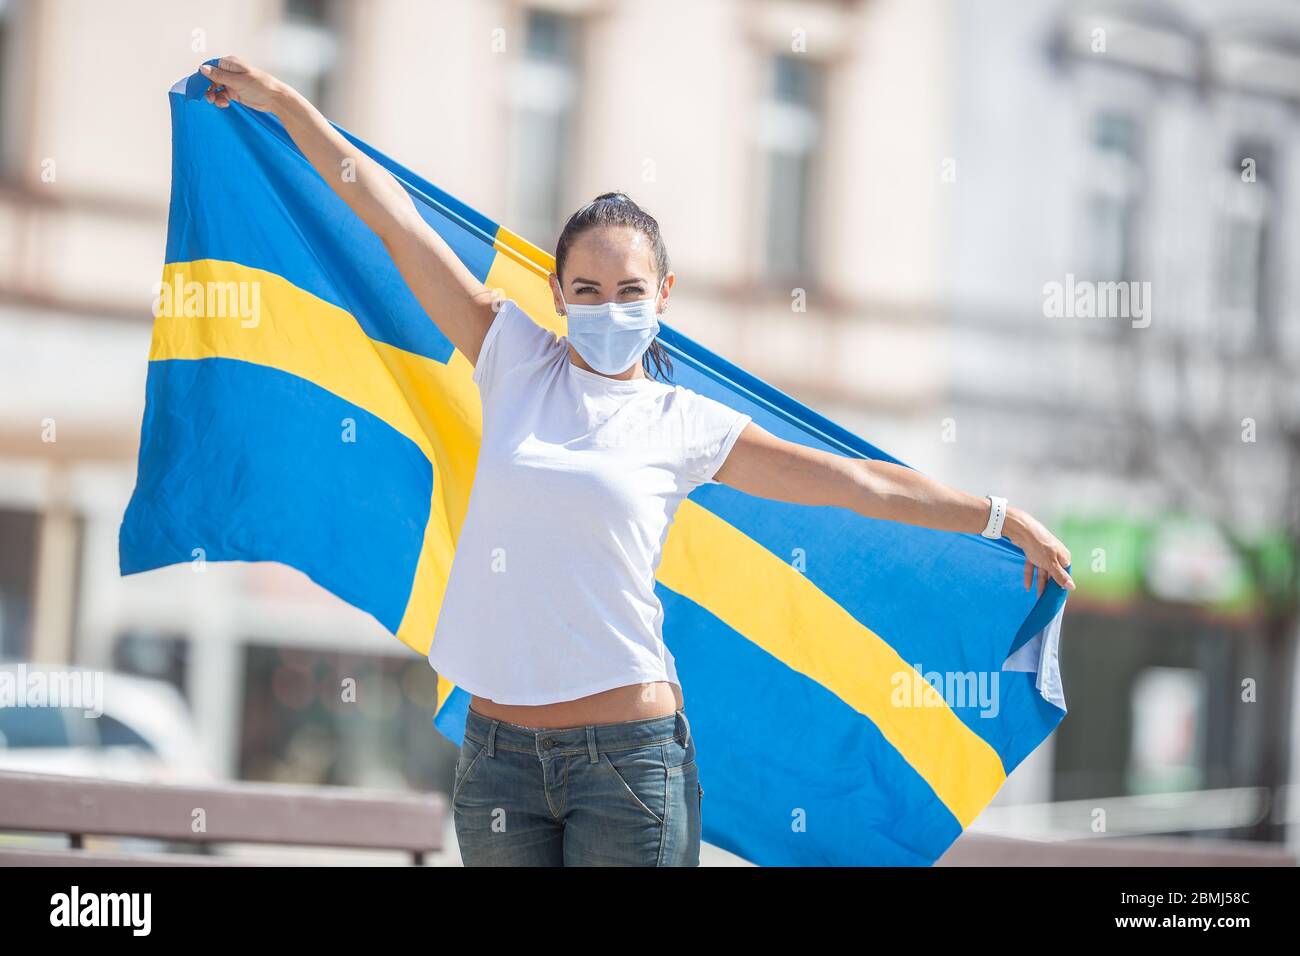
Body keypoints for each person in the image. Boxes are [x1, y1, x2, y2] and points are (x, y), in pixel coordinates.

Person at [197, 57, 1075, 867]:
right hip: (497, 759)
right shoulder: (511, 359)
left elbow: (858, 483)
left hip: (628, 762)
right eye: (586, 290)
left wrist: (996, 517)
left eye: (628, 291)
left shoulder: (685, 423)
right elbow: (389, 218)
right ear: (557, 293)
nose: (607, 307)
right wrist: (285, 104)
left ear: (663, 296)